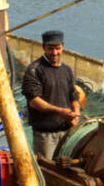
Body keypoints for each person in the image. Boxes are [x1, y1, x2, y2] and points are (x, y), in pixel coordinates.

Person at [21, 29, 80, 158]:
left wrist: (76, 113)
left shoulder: (67, 70)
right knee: (48, 171)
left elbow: (73, 95)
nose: (54, 53)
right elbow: (34, 101)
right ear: (43, 48)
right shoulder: (34, 70)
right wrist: (60, 111)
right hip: (45, 136)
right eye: (50, 49)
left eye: (58, 48)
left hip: (67, 132)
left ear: (63, 47)